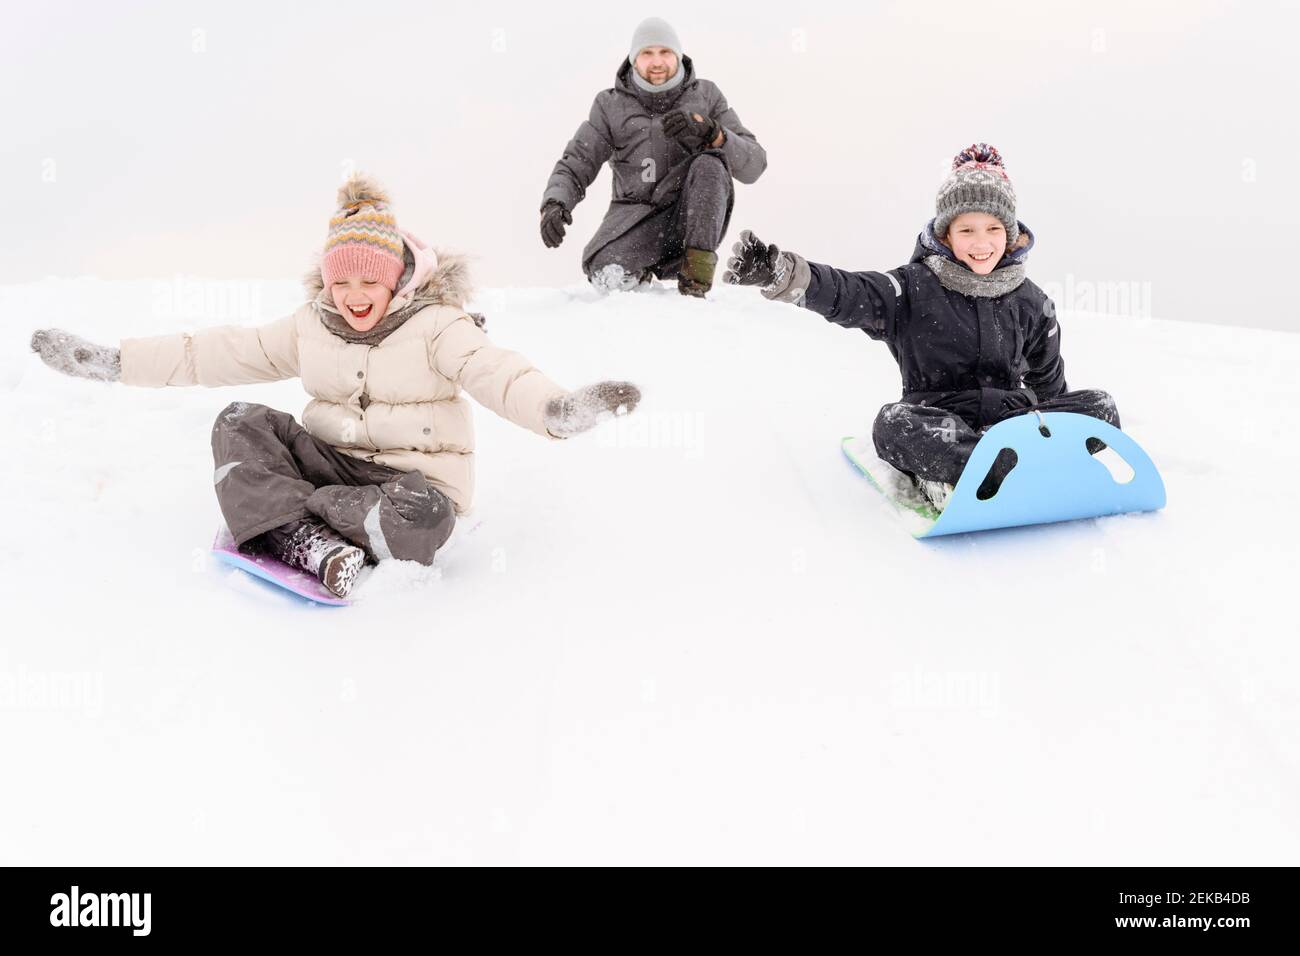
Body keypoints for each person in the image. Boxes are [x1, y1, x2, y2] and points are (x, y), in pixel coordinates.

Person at [31, 175, 640, 597]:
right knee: (240, 419)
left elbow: (497, 372)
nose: (353, 298)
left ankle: (293, 525)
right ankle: (312, 541)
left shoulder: (438, 326)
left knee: (428, 519)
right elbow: (215, 353)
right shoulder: (310, 326)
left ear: (396, 281)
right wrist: (113, 362)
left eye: (368, 283)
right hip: (330, 467)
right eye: (340, 283)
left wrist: (558, 411)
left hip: (409, 486)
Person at [723, 144, 1120, 511]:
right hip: (939, 422)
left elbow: (1051, 388)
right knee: (893, 423)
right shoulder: (913, 287)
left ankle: (1017, 470)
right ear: (946, 233)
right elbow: (849, 292)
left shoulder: (1031, 301)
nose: (981, 242)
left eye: (994, 229)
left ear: (1011, 233)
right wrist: (784, 273)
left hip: (1009, 428)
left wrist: (1059, 429)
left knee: (1099, 405)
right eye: (967, 230)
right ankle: (972, 474)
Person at [540, 17, 767, 297]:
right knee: (604, 274)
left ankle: (695, 280)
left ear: (678, 56)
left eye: (665, 52)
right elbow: (578, 160)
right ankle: (638, 273)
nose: (657, 62)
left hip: (690, 217)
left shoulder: (707, 97)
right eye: (647, 53)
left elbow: (754, 165)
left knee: (710, 163)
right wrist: (555, 203)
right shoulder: (609, 105)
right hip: (635, 220)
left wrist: (713, 132)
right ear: (634, 60)